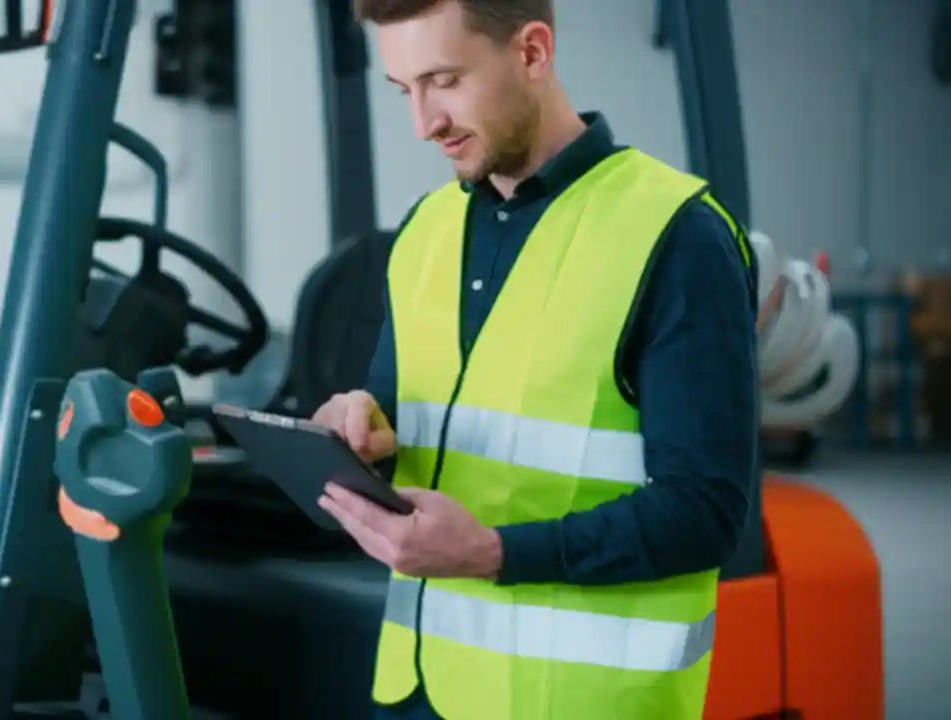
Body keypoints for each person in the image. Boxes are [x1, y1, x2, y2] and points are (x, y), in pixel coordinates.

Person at [309, 1, 759, 718]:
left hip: (577, 702)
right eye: (405, 91)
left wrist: (492, 551)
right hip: (418, 689)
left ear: (533, 52)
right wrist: (359, 431)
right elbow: (406, 429)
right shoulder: (426, 230)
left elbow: (704, 513)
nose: (424, 123)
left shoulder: (676, 236)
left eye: (445, 80)